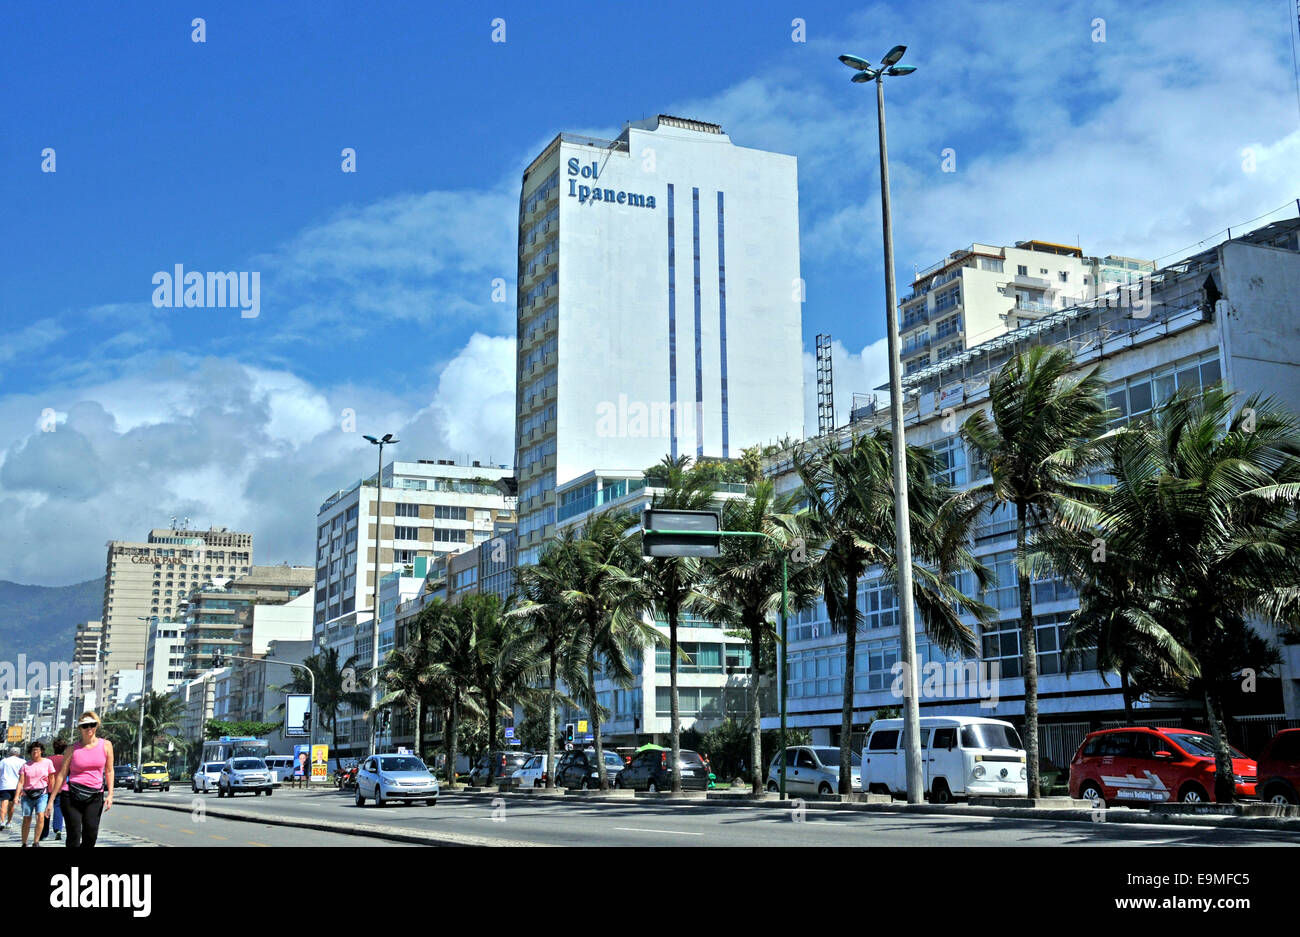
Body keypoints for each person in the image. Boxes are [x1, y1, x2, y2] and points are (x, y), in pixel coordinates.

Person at [51, 712, 114, 847]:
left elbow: (109, 771)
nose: (89, 728)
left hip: (95, 794)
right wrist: (51, 800)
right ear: (80, 728)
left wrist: (110, 795)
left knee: (91, 833)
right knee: (74, 833)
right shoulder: (72, 749)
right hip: (71, 794)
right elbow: (62, 774)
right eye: (85, 726)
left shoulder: (106, 745)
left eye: (92, 725)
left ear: (96, 726)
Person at [16, 741, 55, 846]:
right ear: (30, 752)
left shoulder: (48, 762)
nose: (35, 752)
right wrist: (16, 796)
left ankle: (36, 841)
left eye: (37, 749)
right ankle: (24, 842)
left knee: (41, 816)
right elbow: (21, 782)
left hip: (42, 793)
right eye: (33, 750)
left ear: (41, 751)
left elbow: (51, 778)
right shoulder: (25, 765)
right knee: (26, 819)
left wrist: (52, 794)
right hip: (27, 795)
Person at [41, 738, 68, 841]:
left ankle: (44, 833)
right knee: (58, 809)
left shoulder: (47, 760)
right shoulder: (66, 759)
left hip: (48, 788)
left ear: (54, 748)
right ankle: (58, 829)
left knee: (46, 809)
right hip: (62, 788)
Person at [0, 745, 24, 831]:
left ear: (10, 753)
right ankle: (9, 822)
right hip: (17, 786)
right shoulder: (23, 762)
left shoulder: (4, 761)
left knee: (4, 804)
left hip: (5, 785)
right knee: (12, 805)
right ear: (19, 753)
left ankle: (2, 821)